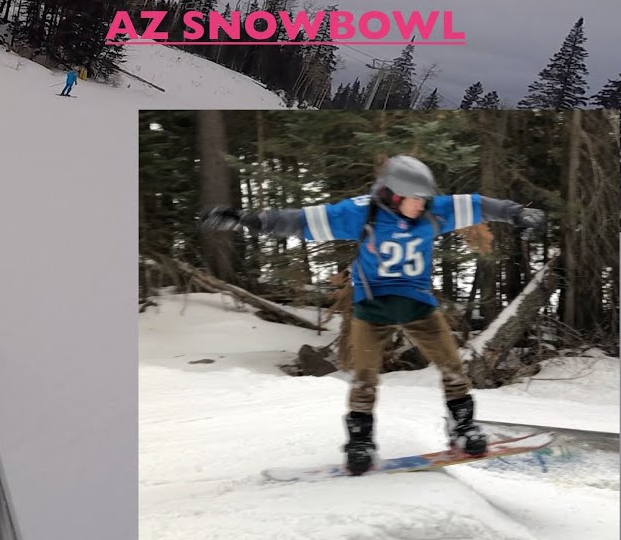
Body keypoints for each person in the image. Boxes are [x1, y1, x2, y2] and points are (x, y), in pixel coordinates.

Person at [201, 154, 546, 475]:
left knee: (452, 366)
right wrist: (247, 220)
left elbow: (479, 205)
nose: (421, 205)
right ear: (393, 195)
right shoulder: (359, 213)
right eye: (414, 199)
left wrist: (518, 214)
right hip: (372, 308)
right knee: (364, 378)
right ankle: (360, 441)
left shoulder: (434, 211)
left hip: (418, 305)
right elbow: (303, 221)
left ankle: (463, 428)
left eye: (424, 199)